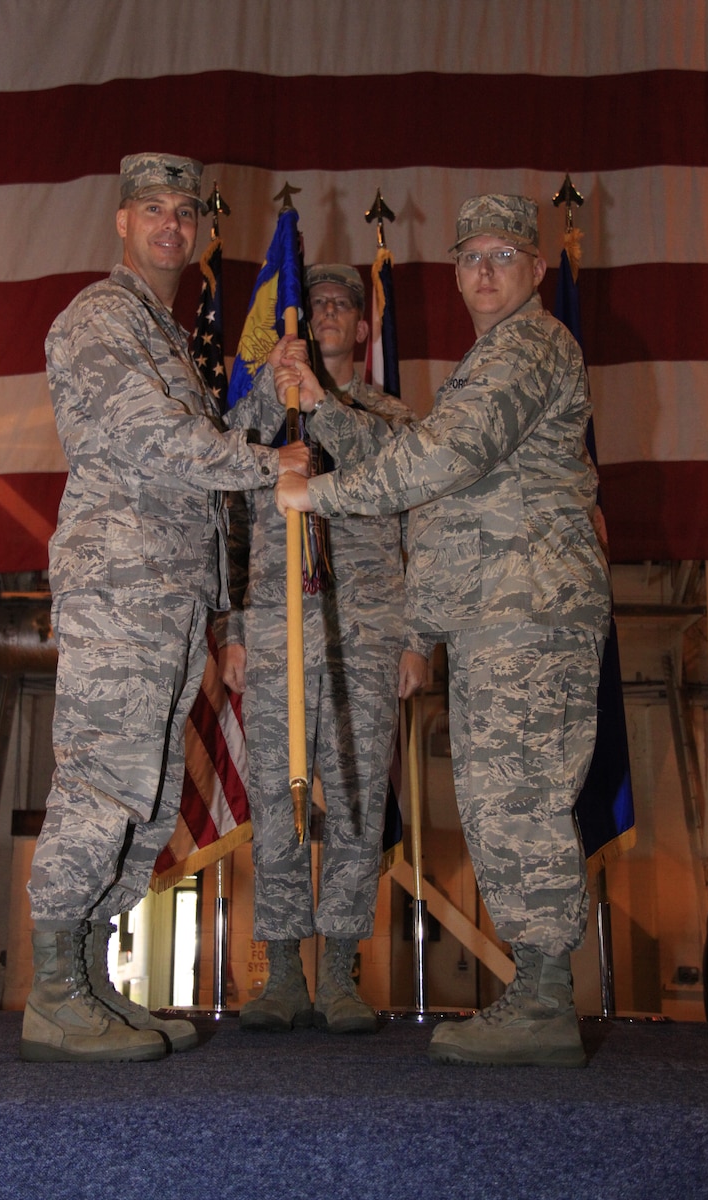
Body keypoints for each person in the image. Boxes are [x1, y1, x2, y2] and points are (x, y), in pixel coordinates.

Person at [274, 196, 612, 1067]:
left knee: (519, 796)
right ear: (456, 272)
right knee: (503, 795)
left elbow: (440, 460)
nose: (485, 271)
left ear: (536, 269)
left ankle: (544, 1000)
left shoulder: (529, 346)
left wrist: (319, 493)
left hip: (528, 610)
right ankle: (538, 992)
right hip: (501, 609)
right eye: (471, 257)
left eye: (504, 255)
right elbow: (431, 476)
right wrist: (326, 410)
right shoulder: (490, 359)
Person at [21, 153, 309, 1063]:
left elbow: (202, 444)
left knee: (143, 798)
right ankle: (51, 994)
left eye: (185, 212)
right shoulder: (100, 317)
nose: (171, 225)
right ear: (122, 221)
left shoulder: (167, 336)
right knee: (103, 780)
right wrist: (267, 464)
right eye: (153, 208)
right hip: (121, 586)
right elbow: (155, 437)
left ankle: (88, 978)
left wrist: (266, 399)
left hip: (173, 597)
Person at [218, 264, 429, 1034]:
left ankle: (340, 971)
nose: (331, 312)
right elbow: (233, 530)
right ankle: (281, 973)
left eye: (343, 304)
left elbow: (417, 518)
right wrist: (234, 631)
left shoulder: (391, 417)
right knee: (275, 800)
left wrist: (417, 640)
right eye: (318, 304)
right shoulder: (264, 422)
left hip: (364, 637)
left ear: (364, 328)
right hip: (276, 637)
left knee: (357, 800)